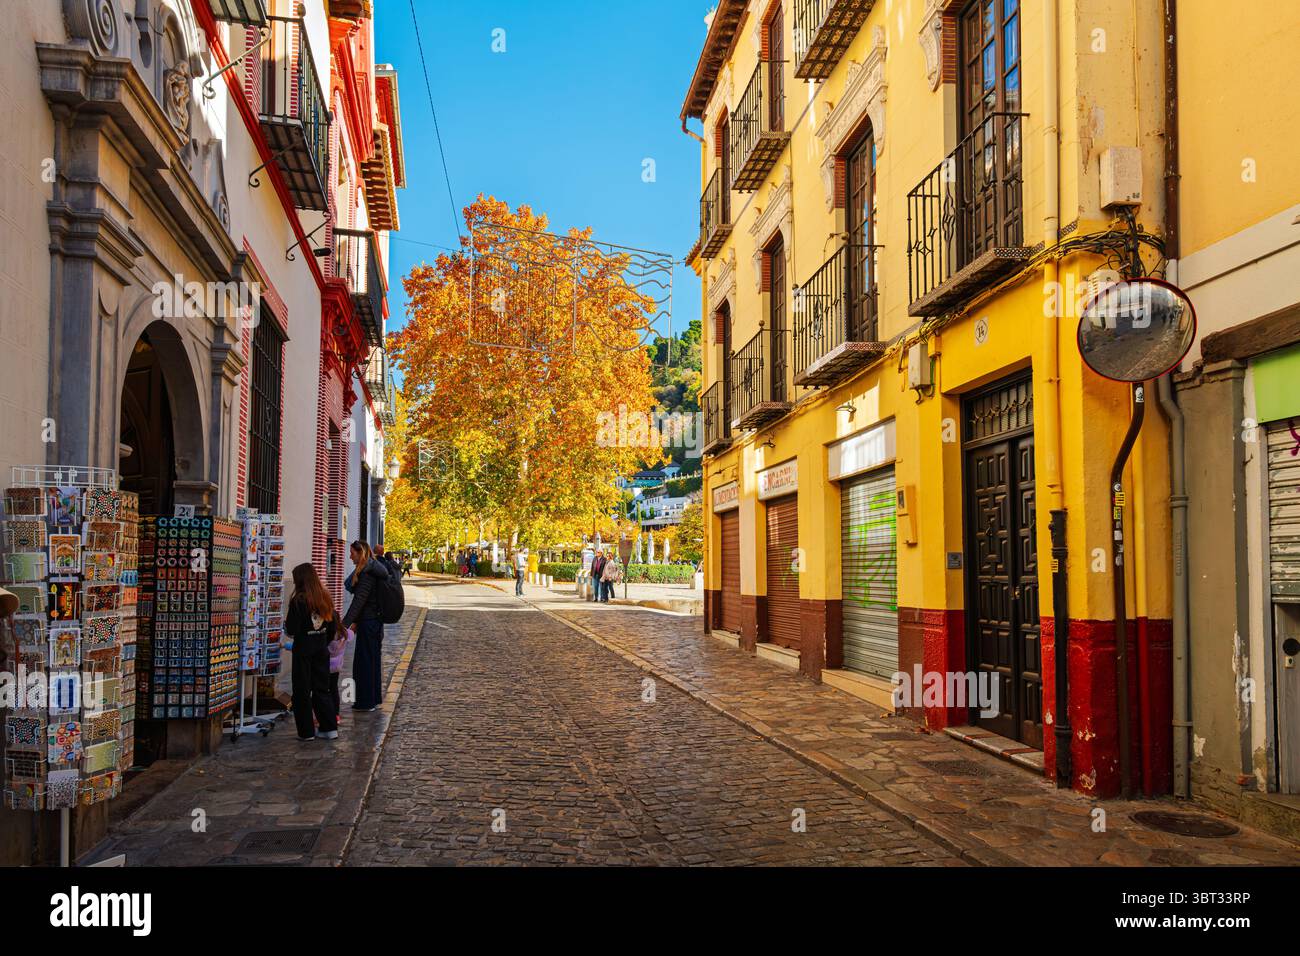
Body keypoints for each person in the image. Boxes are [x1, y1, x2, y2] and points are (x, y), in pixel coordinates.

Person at [285, 563, 340, 741]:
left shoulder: (298, 600)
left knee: (301, 691)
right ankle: (329, 728)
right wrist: (323, 639)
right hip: (321, 650)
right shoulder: (324, 597)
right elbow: (332, 626)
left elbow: (292, 628)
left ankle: (306, 731)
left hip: (303, 651)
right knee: (322, 689)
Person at [342, 540, 390, 712]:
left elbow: (359, 601)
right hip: (374, 622)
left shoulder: (367, 573)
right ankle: (373, 699)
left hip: (369, 623)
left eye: (352, 553)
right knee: (372, 661)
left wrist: (344, 625)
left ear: (360, 553)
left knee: (364, 663)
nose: (350, 556)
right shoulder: (372, 569)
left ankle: (366, 702)